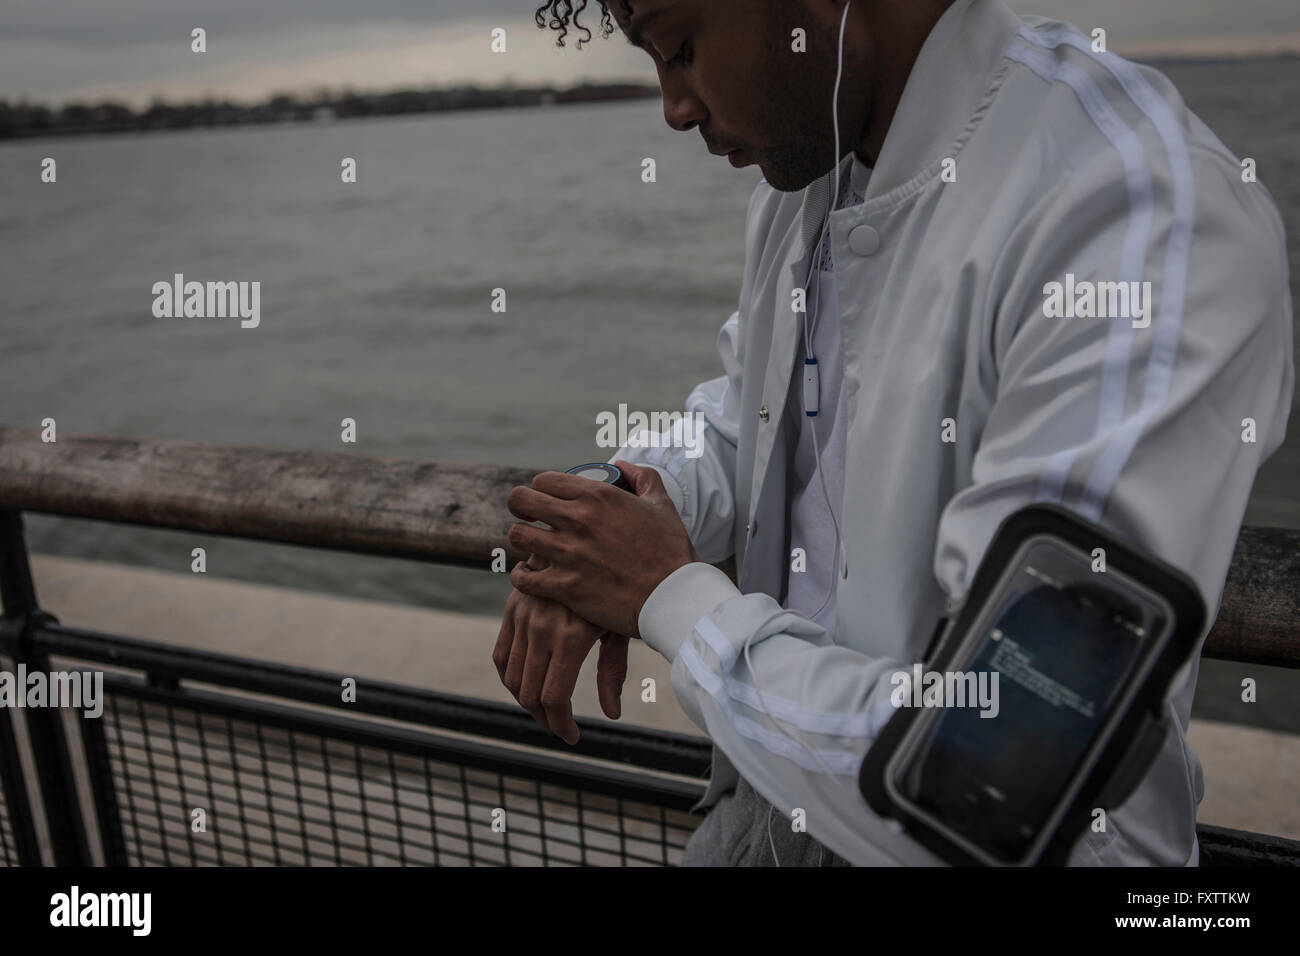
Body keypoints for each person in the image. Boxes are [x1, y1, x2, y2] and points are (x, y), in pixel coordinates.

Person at [493, 0, 1294, 865]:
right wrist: (599, 519)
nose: (674, 107)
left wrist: (670, 599)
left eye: (680, 48)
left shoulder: (1137, 214)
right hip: (761, 813)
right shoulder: (808, 178)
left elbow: (1001, 758)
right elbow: (747, 420)